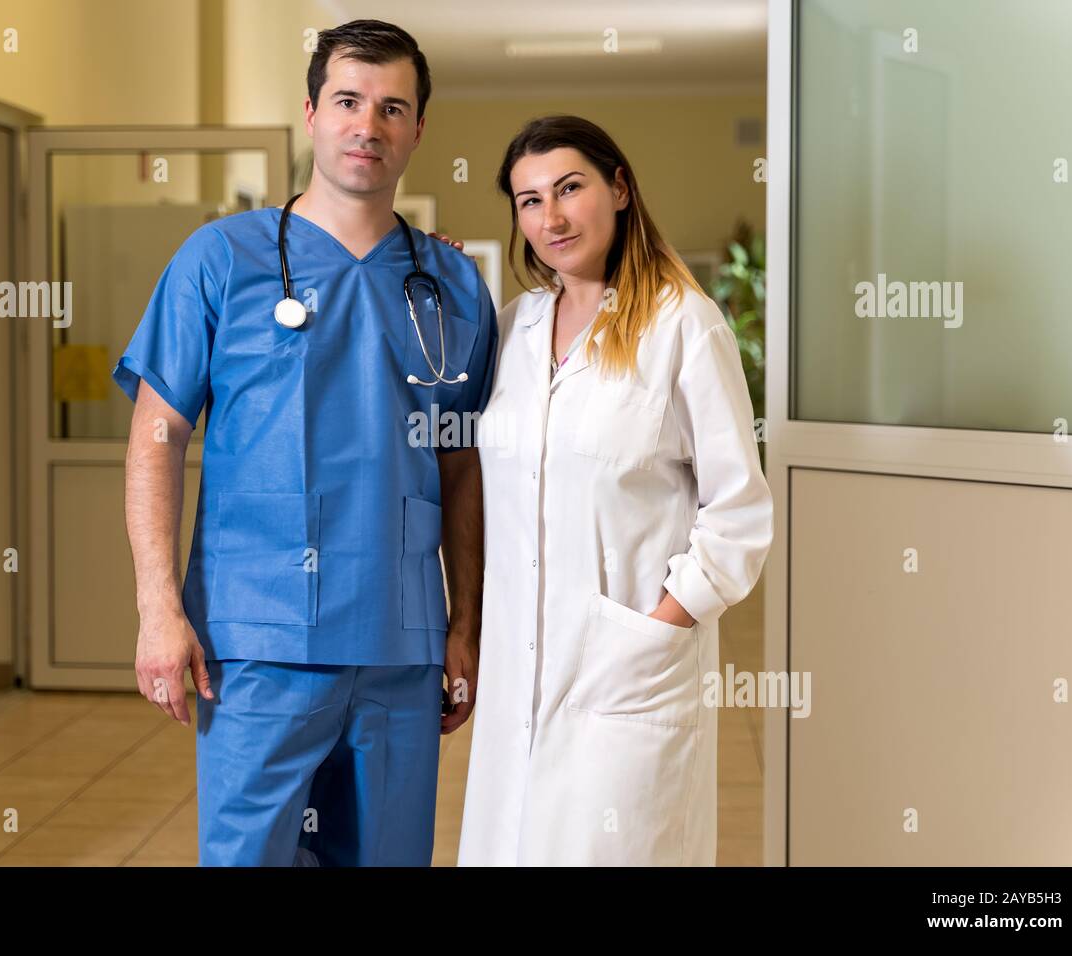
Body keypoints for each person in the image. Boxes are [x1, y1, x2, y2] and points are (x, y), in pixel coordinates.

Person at [113, 20, 496, 866]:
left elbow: (462, 464)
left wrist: (465, 624)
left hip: (401, 648)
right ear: (312, 113)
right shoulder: (220, 260)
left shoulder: (453, 283)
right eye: (349, 101)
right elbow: (155, 436)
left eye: (394, 108)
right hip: (258, 643)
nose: (370, 126)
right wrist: (156, 608)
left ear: (419, 130)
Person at [456, 115, 773, 866]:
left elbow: (739, 513)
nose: (551, 217)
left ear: (621, 188)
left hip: (629, 671)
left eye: (570, 188)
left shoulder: (684, 326)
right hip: (519, 666)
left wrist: (657, 628)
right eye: (529, 200)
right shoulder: (513, 330)